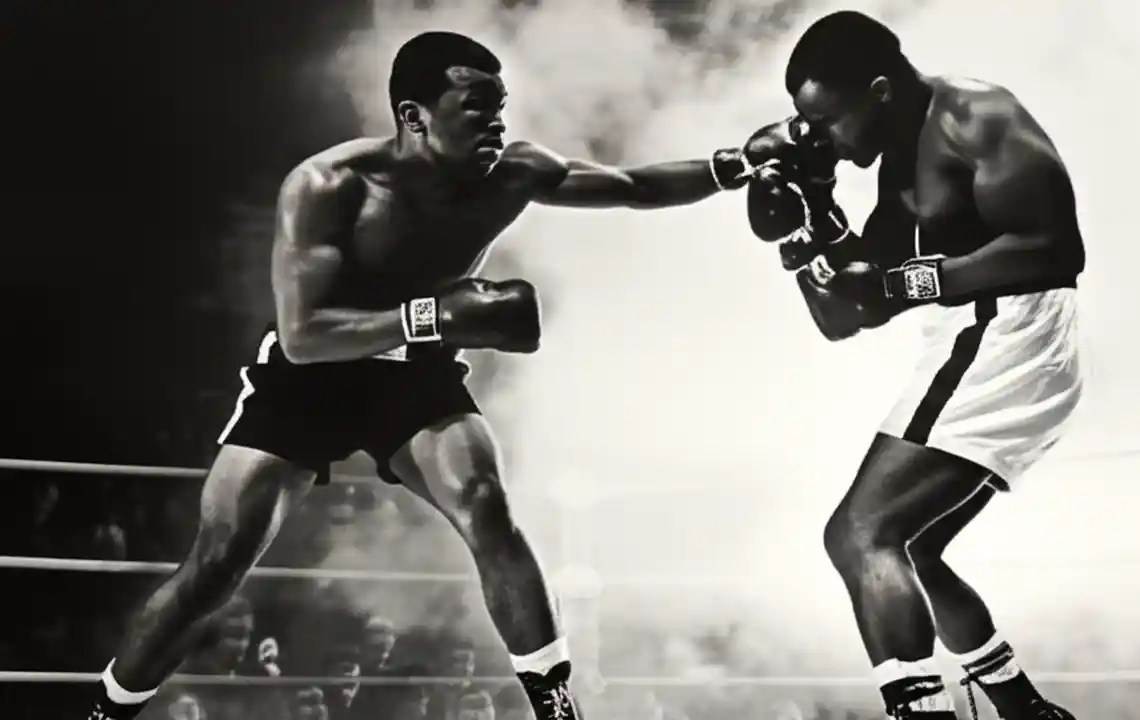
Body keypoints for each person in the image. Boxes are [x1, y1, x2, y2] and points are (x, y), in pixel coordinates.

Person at [87, 30, 763, 720]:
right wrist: (436, 314)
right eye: (476, 105)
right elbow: (305, 333)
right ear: (414, 115)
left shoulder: (513, 173)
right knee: (217, 564)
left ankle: (557, 708)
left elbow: (635, 188)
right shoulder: (330, 185)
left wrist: (736, 164)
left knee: (485, 503)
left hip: (412, 377)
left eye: (500, 105)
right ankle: (107, 713)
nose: (496, 121)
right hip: (311, 375)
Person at [745, 11, 1086, 720]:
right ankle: (1024, 709)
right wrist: (808, 225)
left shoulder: (978, 117)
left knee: (860, 534)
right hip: (982, 336)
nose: (830, 142)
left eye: (833, 122)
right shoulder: (897, 161)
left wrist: (903, 283)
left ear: (879, 90)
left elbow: (1056, 251)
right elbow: (850, 313)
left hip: (1011, 333)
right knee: (913, 549)